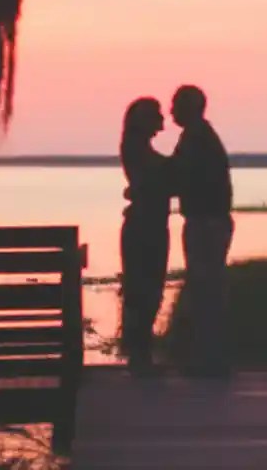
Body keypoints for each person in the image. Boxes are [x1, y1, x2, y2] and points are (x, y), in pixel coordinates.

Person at [168, 85, 234, 377]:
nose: (171, 112)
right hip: (209, 221)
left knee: (206, 288)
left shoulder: (196, 137)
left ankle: (209, 359)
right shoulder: (198, 136)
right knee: (207, 288)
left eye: (175, 106)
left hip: (207, 222)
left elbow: (178, 174)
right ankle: (209, 356)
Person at [118, 97, 171, 376]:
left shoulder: (138, 150)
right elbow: (156, 177)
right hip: (145, 228)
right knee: (144, 289)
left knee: (148, 289)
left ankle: (141, 352)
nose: (163, 122)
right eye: (157, 116)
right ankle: (140, 354)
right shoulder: (137, 150)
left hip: (149, 225)